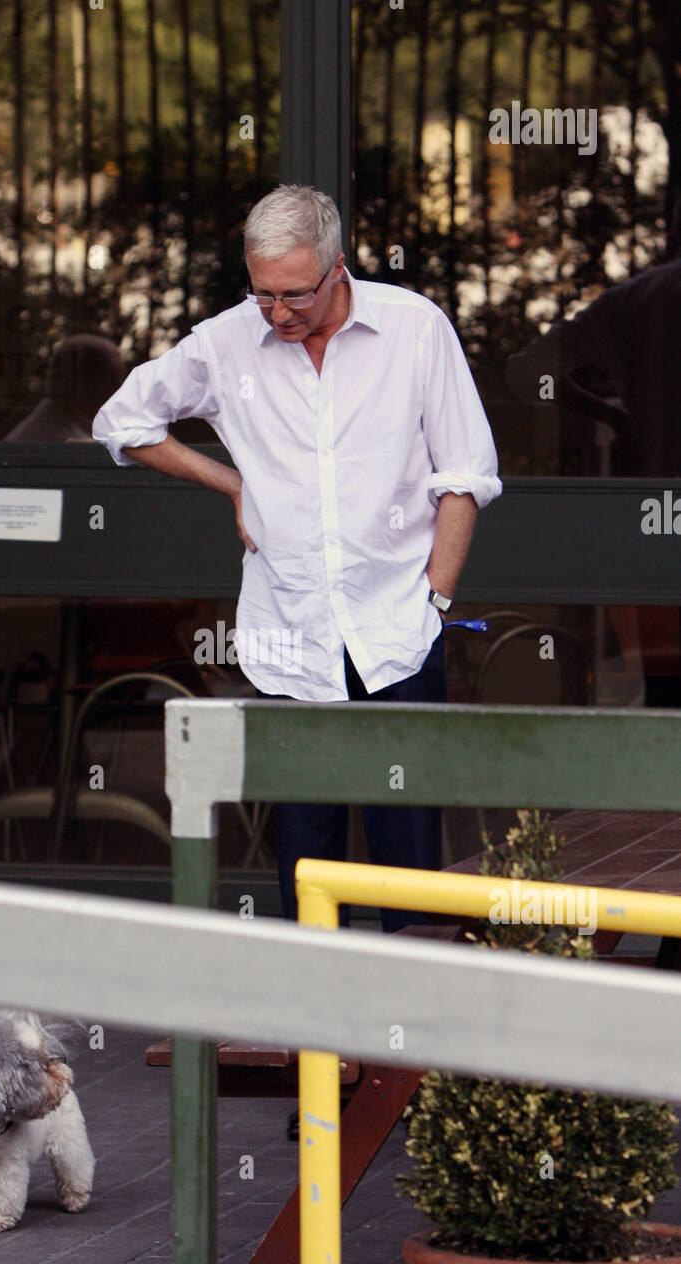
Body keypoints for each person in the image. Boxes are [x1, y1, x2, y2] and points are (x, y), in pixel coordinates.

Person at [93, 184, 501, 932]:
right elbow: (122, 420)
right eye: (263, 294)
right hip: (291, 639)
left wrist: (434, 605)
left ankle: (409, 1043)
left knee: (410, 874)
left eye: (296, 295)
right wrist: (229, 480)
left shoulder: (416, 329)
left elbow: (466, 476)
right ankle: (313, 1036)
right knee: (306, 871)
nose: (278, 313)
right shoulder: (225, 342)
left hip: (400, 633)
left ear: (338, 267)